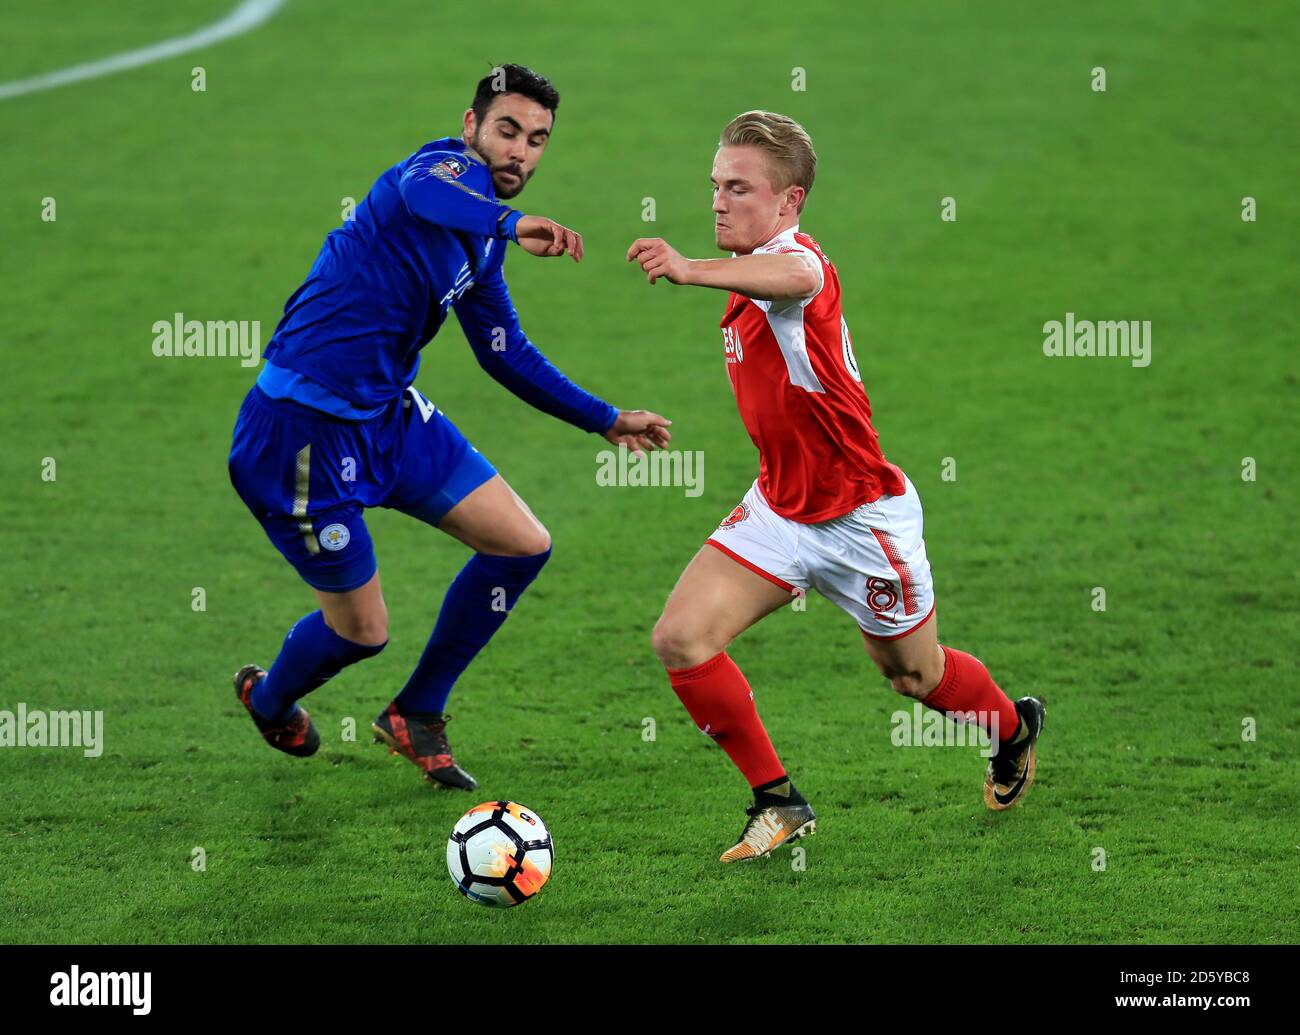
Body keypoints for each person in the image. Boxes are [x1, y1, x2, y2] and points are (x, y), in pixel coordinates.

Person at [229, 64, 671, 790]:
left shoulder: (482, 242)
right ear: (471, 127)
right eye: (506, 130)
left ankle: (417, 712)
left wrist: (606, 419)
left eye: (536, 140)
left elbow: (506, 353)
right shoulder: (436, 173)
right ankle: (270, 698)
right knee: (362, 633)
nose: (519, 152)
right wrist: (511, 221)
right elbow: (424, 192)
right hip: (297, 435)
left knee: (523, 544)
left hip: (389, 418)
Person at [628, 110, 1043, 862]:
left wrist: (689, 268)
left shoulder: (795, 266)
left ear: (789, 203)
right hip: (781, 507)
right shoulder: (753, 265)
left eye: (740, 189)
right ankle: (778, 801)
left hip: (862, 518)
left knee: (915, 677)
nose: (718, 202)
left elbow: (797, 276)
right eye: (715, 185)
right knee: (680, 638)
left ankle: (1013, 728)